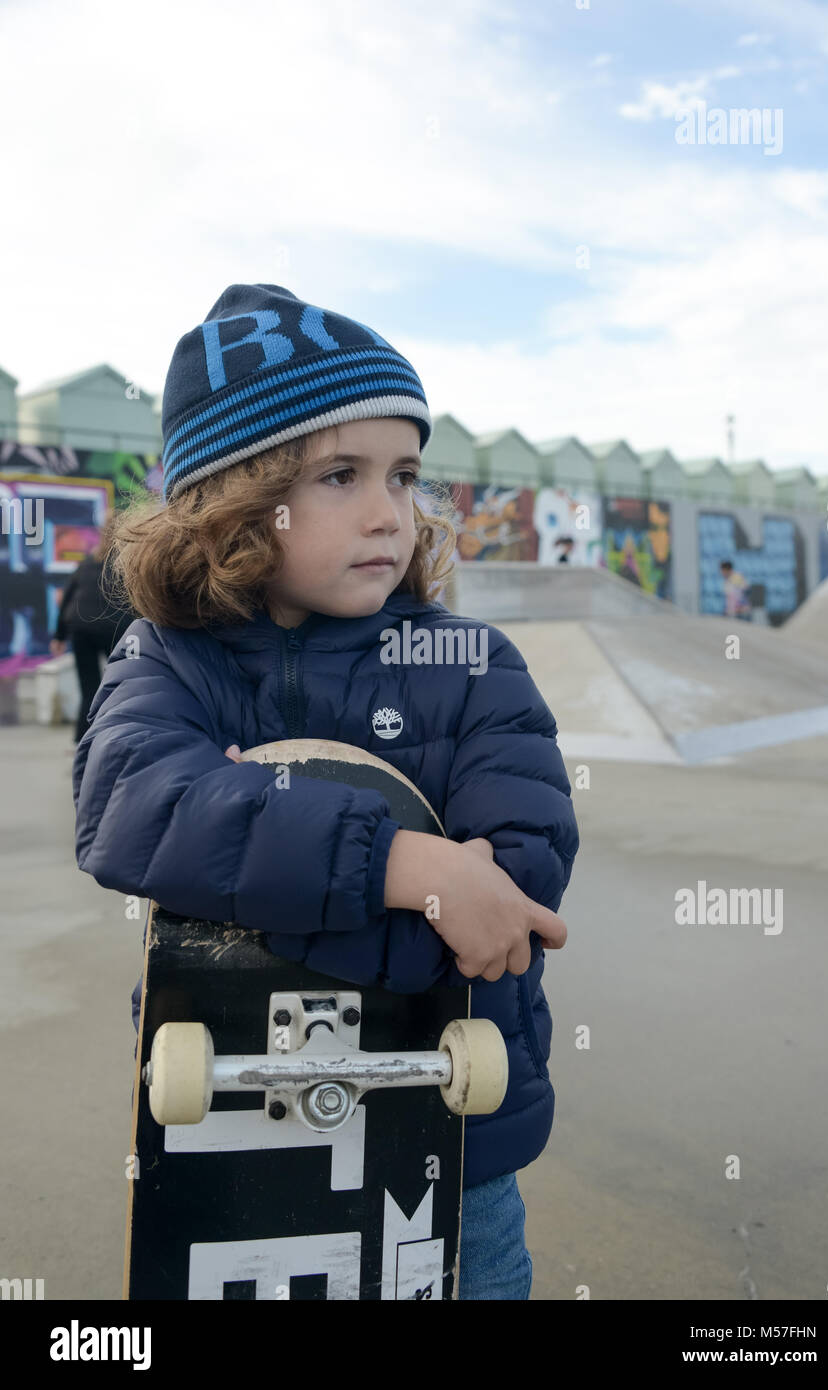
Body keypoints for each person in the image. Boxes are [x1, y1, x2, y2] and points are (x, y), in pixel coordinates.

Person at [71, 283, 579, 1300]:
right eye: (341, 474)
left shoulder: (471, 662)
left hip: (454, 1132)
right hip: (234, 1124)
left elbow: (510, 895)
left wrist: (246, 888)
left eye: (405, 473)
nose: (391, 512)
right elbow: (128, 805)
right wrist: (404, 867)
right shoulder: (170, 662)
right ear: (234, 501)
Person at [50, 512, 137, 744]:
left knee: (89, 687)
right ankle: (120, 736)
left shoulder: (87, 562)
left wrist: (59, 636)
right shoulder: (128, 562)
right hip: (116, 629)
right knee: (122, 684)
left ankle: (82, 741)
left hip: (81, 630)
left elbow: (68, 598)